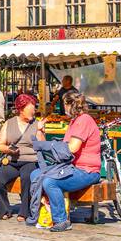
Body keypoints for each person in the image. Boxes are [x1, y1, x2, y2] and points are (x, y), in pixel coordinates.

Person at [38, 93, 102, 233]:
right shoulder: (75, 120)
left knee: (50, 182)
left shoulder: (83, 120)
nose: (63, 108)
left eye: (64, 105)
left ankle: (61, 220)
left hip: (87, 171)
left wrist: (54, 147)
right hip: (73, 167)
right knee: (36, 173)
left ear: (69, 105)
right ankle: (39, 213)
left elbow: (73, 147)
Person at [0, 92, 40, 221]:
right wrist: (9, 150)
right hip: (12, 160)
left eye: (33, 109)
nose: (33, 112)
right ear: (21, 110)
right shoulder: (9, 123)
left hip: (30, 160)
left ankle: (25, 211)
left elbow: (42, 146)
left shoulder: (37, 124)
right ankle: (5, 209)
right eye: (30, 110)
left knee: (27, 177)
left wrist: (41, 131)